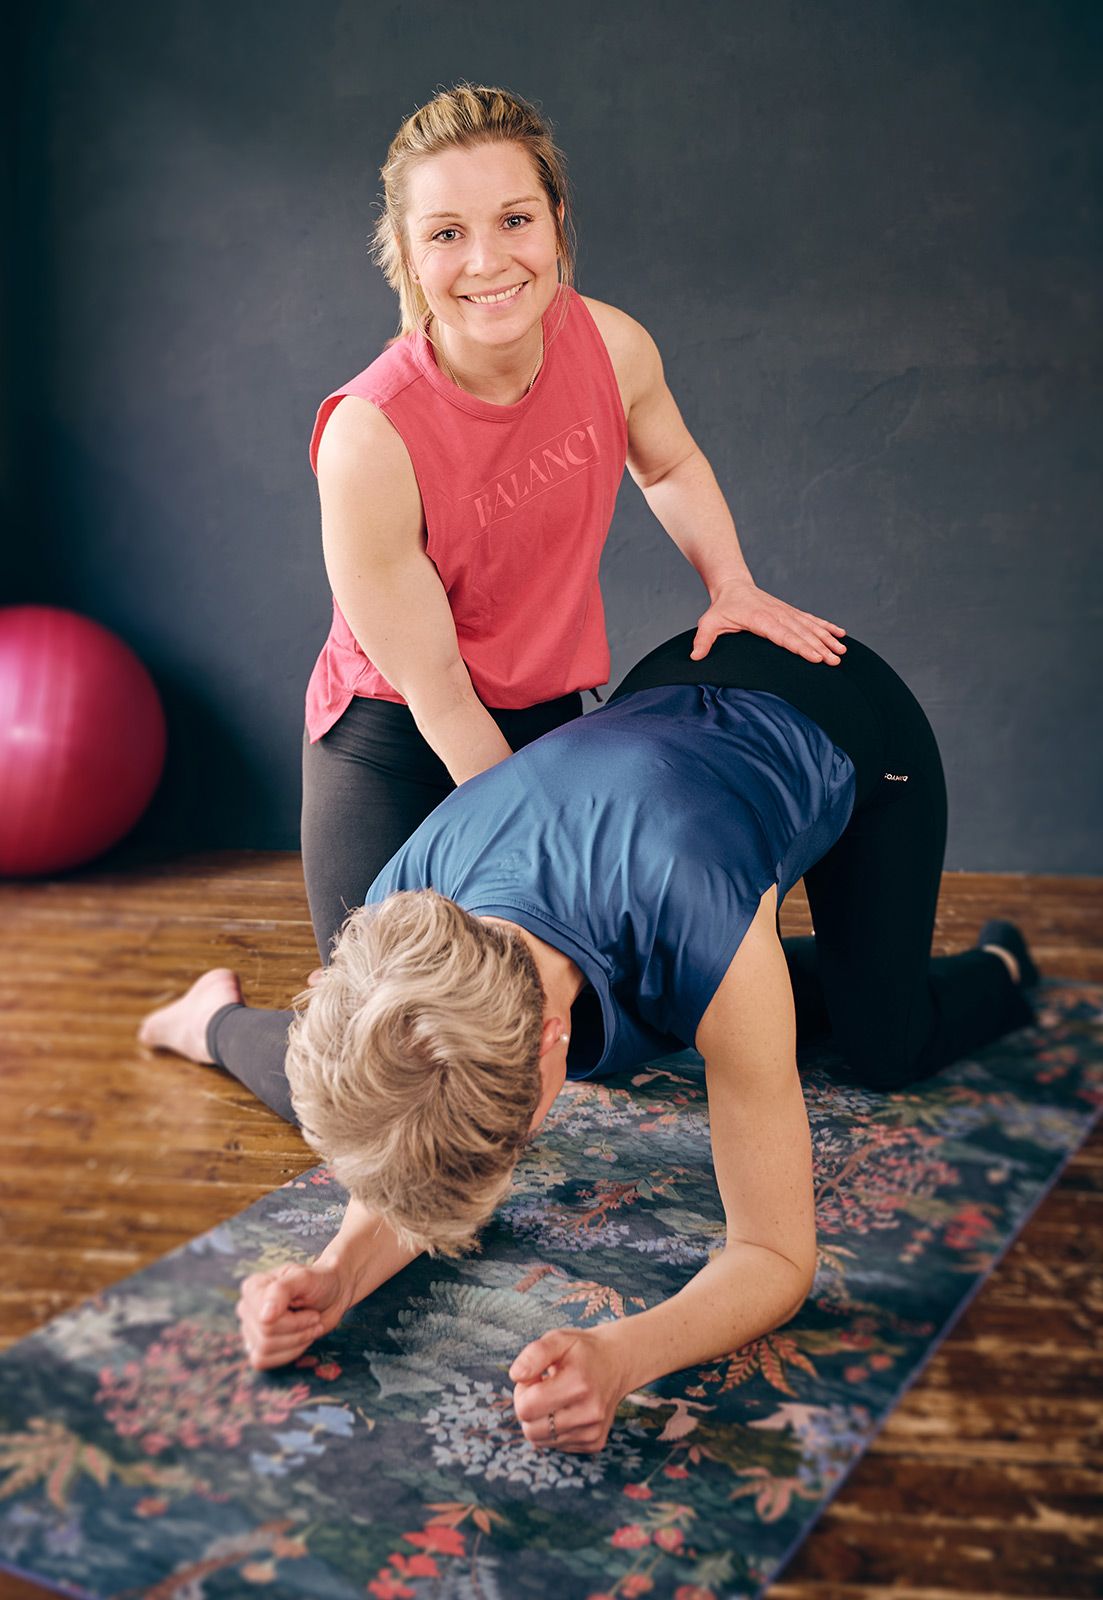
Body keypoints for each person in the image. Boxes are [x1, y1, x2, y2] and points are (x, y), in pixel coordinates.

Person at [140, 631, 1037, 1455]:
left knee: (885, 1044)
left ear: (549, 1046)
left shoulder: (699, 916)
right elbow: (423, 1121)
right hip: (662, 697)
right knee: (723, 1004)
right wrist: (337, 1275)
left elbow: (774, 1256)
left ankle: (999, 963)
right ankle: (205, 1020)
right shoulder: (401, 905)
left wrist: (624, 1354)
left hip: (848, 718)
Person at [288, 82, 846, 974]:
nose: (486, 260)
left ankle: (915, 985)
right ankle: (210, 1020)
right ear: (404, 253)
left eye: (513, 219)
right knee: (382, 1059)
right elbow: (437, 692)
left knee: (609, 1005)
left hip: (546, 720)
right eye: (445, 233)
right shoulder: (370, 434)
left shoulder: (614, 346)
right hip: (394, 739)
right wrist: (543, 846)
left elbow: (667, 465)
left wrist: (729, 583)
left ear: (555, 221)